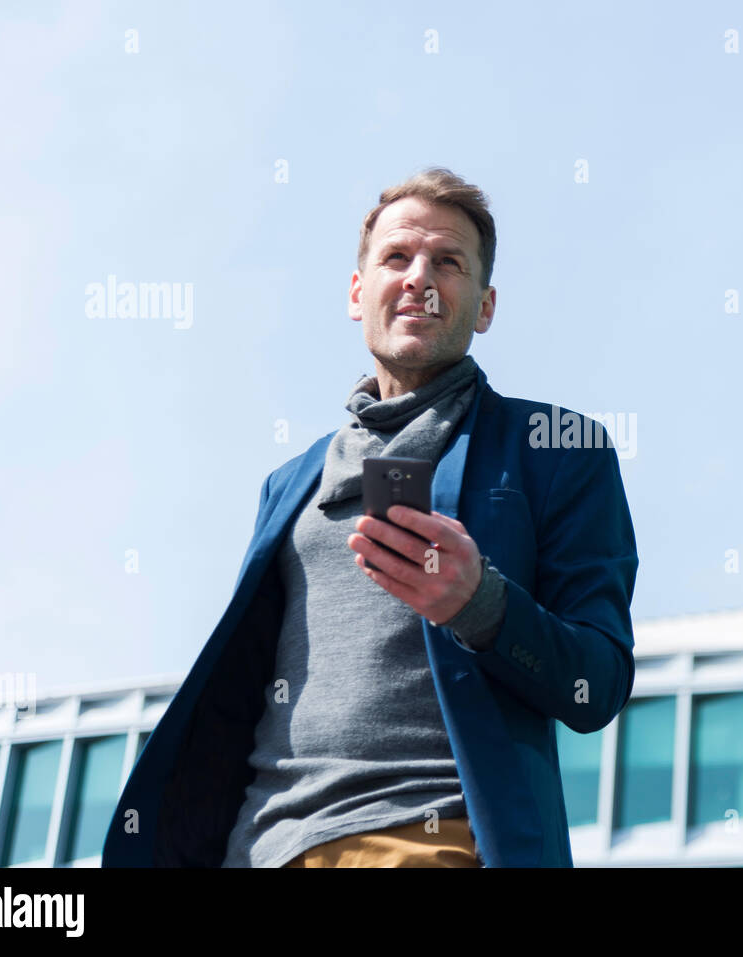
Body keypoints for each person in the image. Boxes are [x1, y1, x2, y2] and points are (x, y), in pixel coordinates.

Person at [101, 167, 639, 868]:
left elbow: (595, 683)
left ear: (484, 306)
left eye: (448, 262)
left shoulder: (558, 450)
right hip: (258, 847)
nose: (419, 277)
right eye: (397, 257)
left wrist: (483, 607)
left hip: (428, 838)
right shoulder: (288, 483)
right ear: (359, 294)